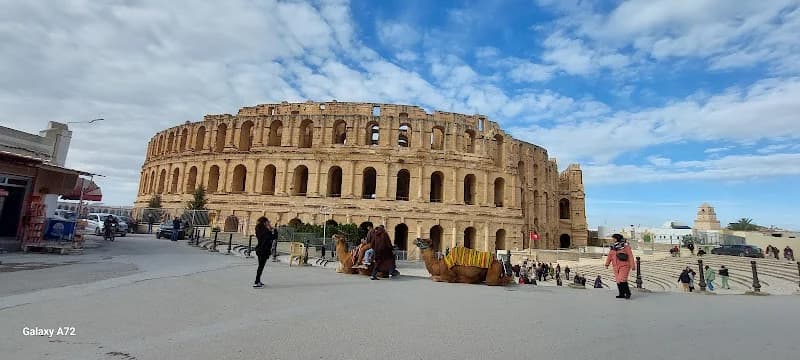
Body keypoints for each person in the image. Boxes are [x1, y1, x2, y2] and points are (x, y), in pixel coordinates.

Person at [605, 233, 635, 299]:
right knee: (618, 280)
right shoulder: (612, 247)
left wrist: (633, 266)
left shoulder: (625, 246)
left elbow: (630, 256)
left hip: (624, 265)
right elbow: (609, 256)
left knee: (622, 279)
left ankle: (627, 293)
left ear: (617, 238)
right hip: (615, 266)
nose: (612, 239)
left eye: (614, 238)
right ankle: (621, 294)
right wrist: (607, 264)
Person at [253, 217, 277, 288]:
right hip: (264, 250)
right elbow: (273, 237)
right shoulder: (265, 231)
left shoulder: (258, 229)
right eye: (268, 222)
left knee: (260, 266)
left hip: (259, 249)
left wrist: (269, 229)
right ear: (265, 222)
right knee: (261, 267)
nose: (269, 223)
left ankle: (258, 281)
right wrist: (274, 230)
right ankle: (256, 282)